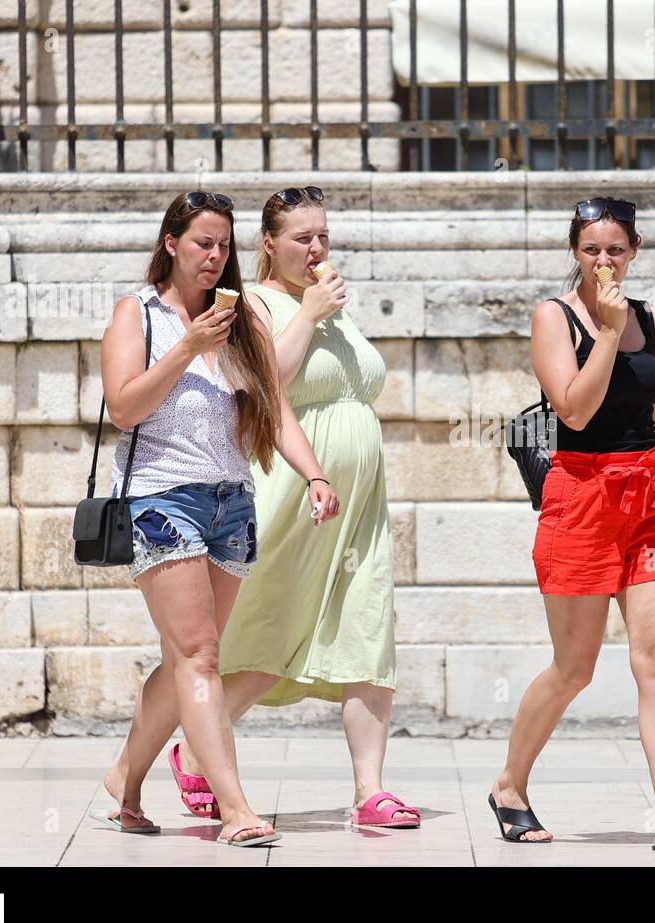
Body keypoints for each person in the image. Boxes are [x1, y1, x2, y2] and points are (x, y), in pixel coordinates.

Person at [165, 186, 418, 829]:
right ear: (269, 244)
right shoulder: (254, 303)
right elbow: (260, 383)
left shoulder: (334, 308)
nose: (317, 248)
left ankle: (371, 791)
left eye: (324, 236)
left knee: (367, 623)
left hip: (358, 501)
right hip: (291, 491)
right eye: (303, 237)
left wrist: (321, 310)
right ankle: (198, 744)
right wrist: (306, 313)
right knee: (271, 624)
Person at [95, 190, 339, 847]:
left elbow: (274, 407)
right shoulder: (137, 314)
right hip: (159, 499)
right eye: (203, 242)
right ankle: (235, 807)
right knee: (200, 655)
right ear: (171, 243)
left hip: (231, 501)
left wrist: (313, 473)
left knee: (190, 656)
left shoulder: (240, 320)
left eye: (224, 245)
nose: (215, 256)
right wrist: (184, 349)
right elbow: (124, 408)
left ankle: (124, 779)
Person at [488, 196, 655, 855]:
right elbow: (575, 409)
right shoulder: (553, 317)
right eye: (592, 249)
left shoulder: (653, 316)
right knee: (574, 667)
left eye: (615, 248)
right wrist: (611, 333)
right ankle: (509, 785)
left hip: (646, 495)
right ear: (575, 252)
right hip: (582, 495)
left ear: (634, 250)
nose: (604, 260)